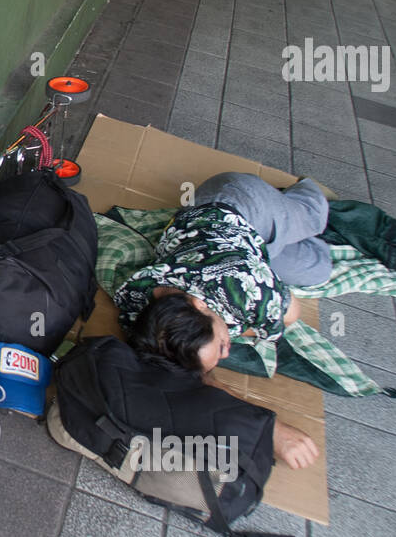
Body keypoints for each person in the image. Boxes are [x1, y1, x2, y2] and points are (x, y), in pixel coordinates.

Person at [112, 172, 332, 469]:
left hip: (242, 201)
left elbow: (292, 314)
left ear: (201, 305)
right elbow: (187, 376)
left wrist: (242, 325)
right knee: (318, 266)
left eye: (223, 341)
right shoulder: (138, 297)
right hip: (223, 231)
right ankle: (276, 240)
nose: (228, 350)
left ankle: (304, 190)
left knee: (315, 219)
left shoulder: (248, 291)